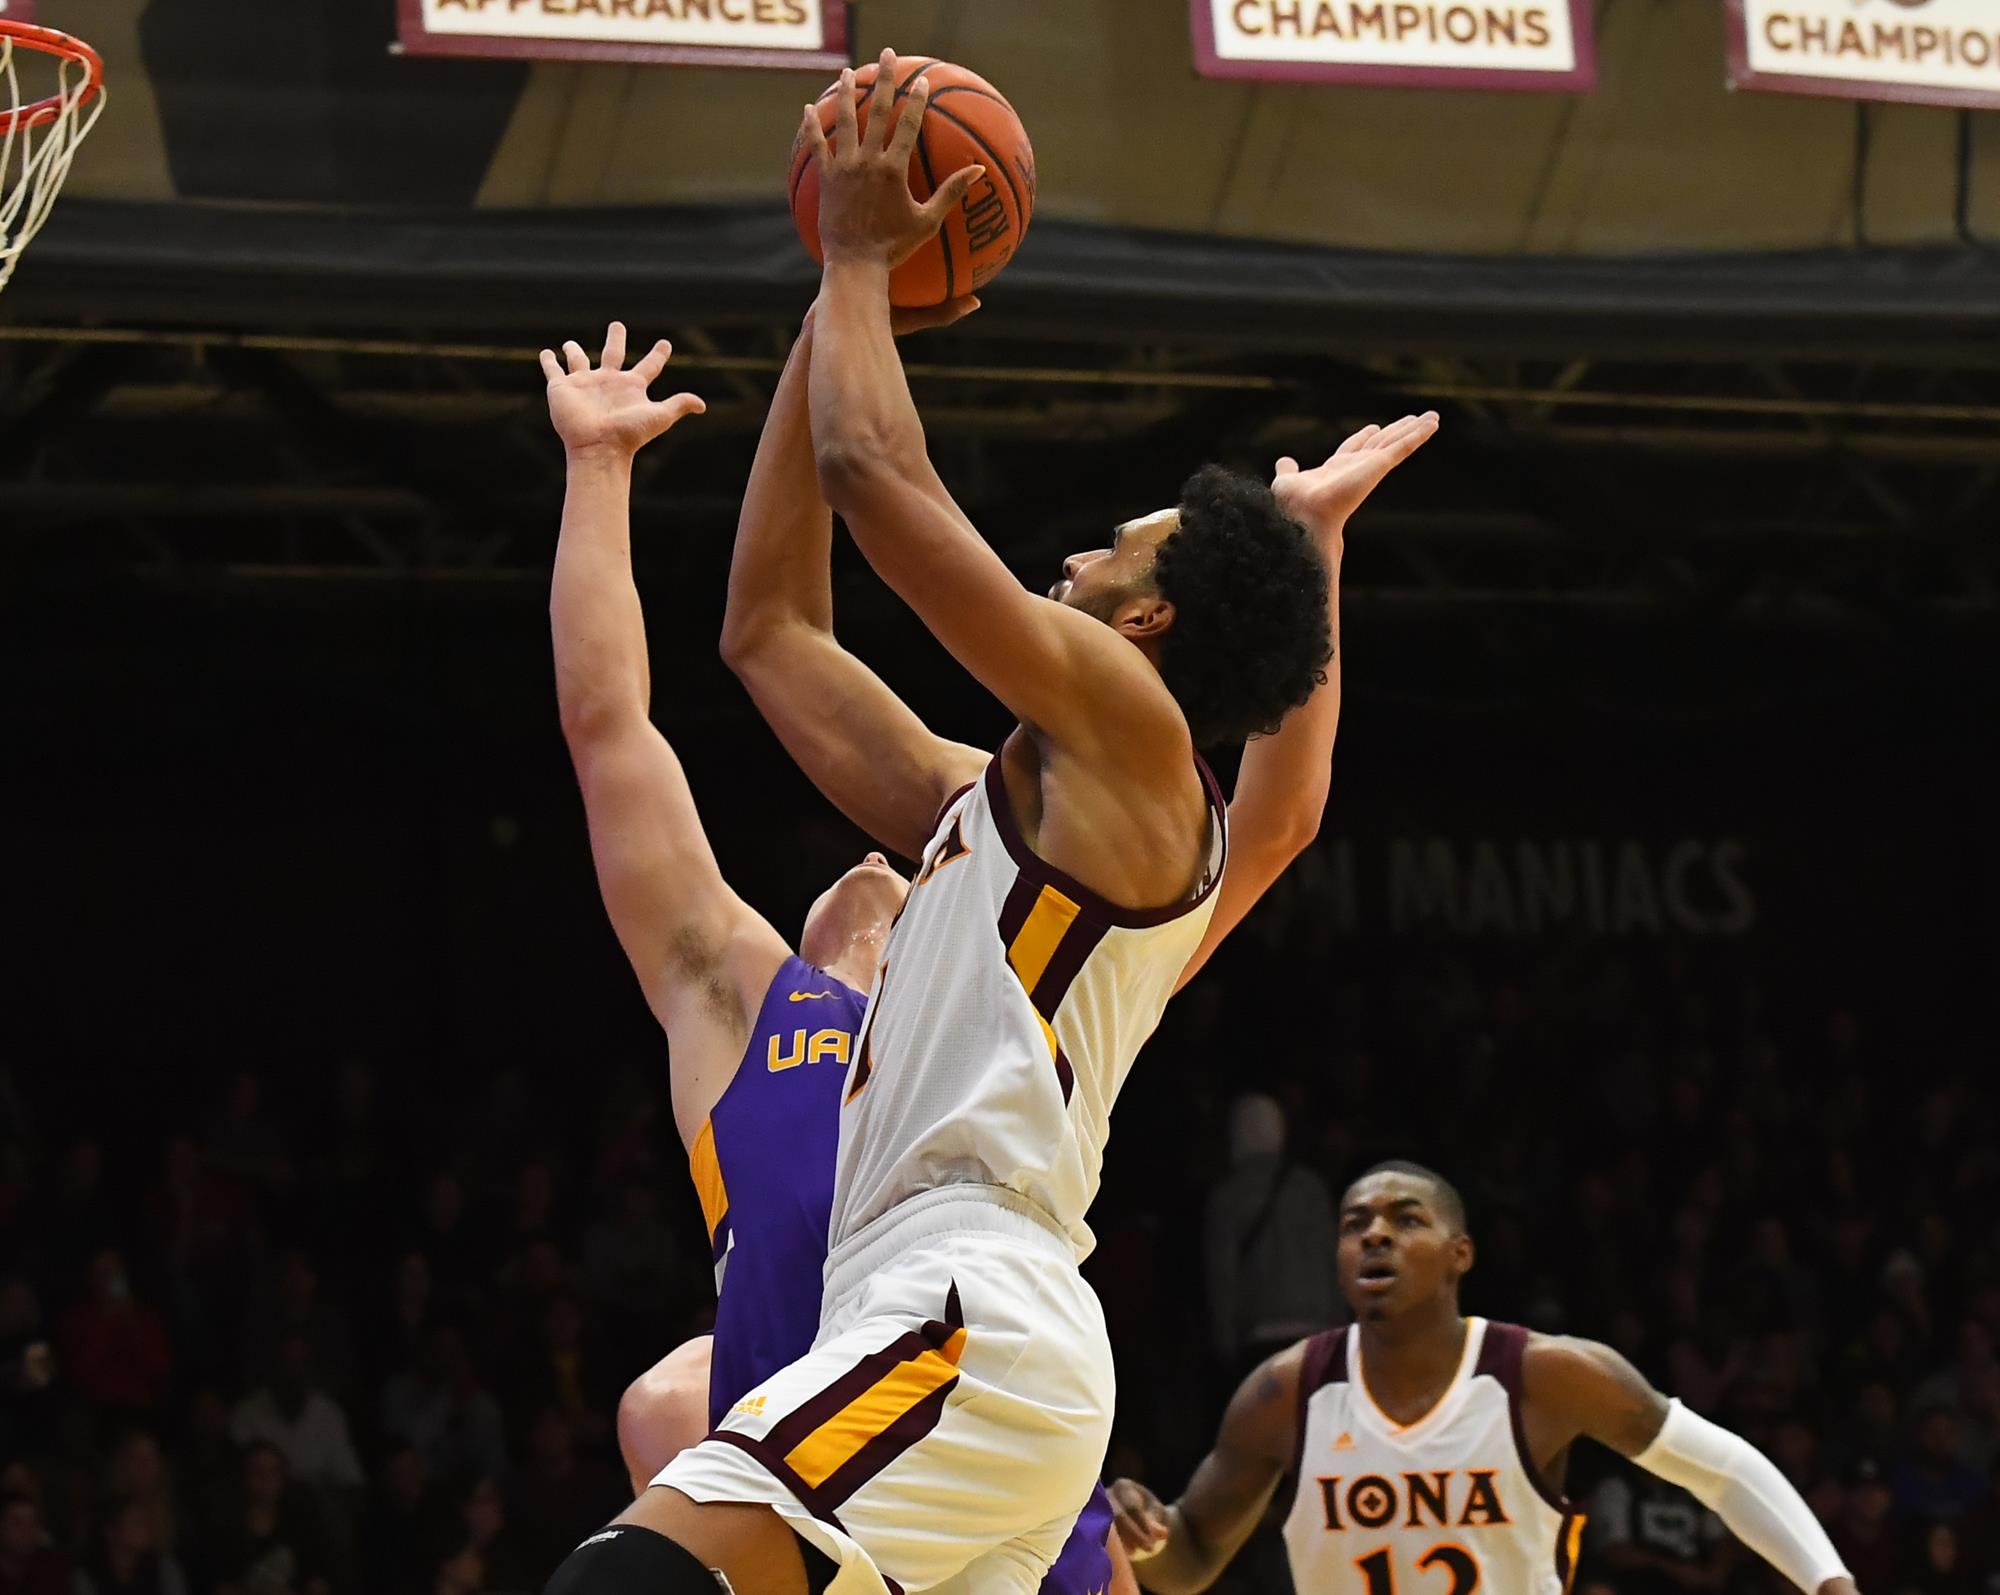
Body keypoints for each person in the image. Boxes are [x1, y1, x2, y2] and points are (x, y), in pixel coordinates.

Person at [538, 51, 1436, 1595]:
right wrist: (838, 305)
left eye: (1114, 545)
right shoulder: (1030, 819)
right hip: (957, 1319)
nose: (1078, 552)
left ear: (1149, 620)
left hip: (964, 1302)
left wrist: (863, 259)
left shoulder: (1138, 738)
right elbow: (770, 631)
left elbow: (874, 470)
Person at [1106, 1162, 1860, 1595]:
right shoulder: (1284, 1393)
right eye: (1355, 1222)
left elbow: (1725, 1471)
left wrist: (1831, 1583)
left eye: (1406, 1219)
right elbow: (1191, 1557)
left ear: (1459, 1253)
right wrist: (1144, 1533)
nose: (1375, 1232)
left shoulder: (1547, 1374)